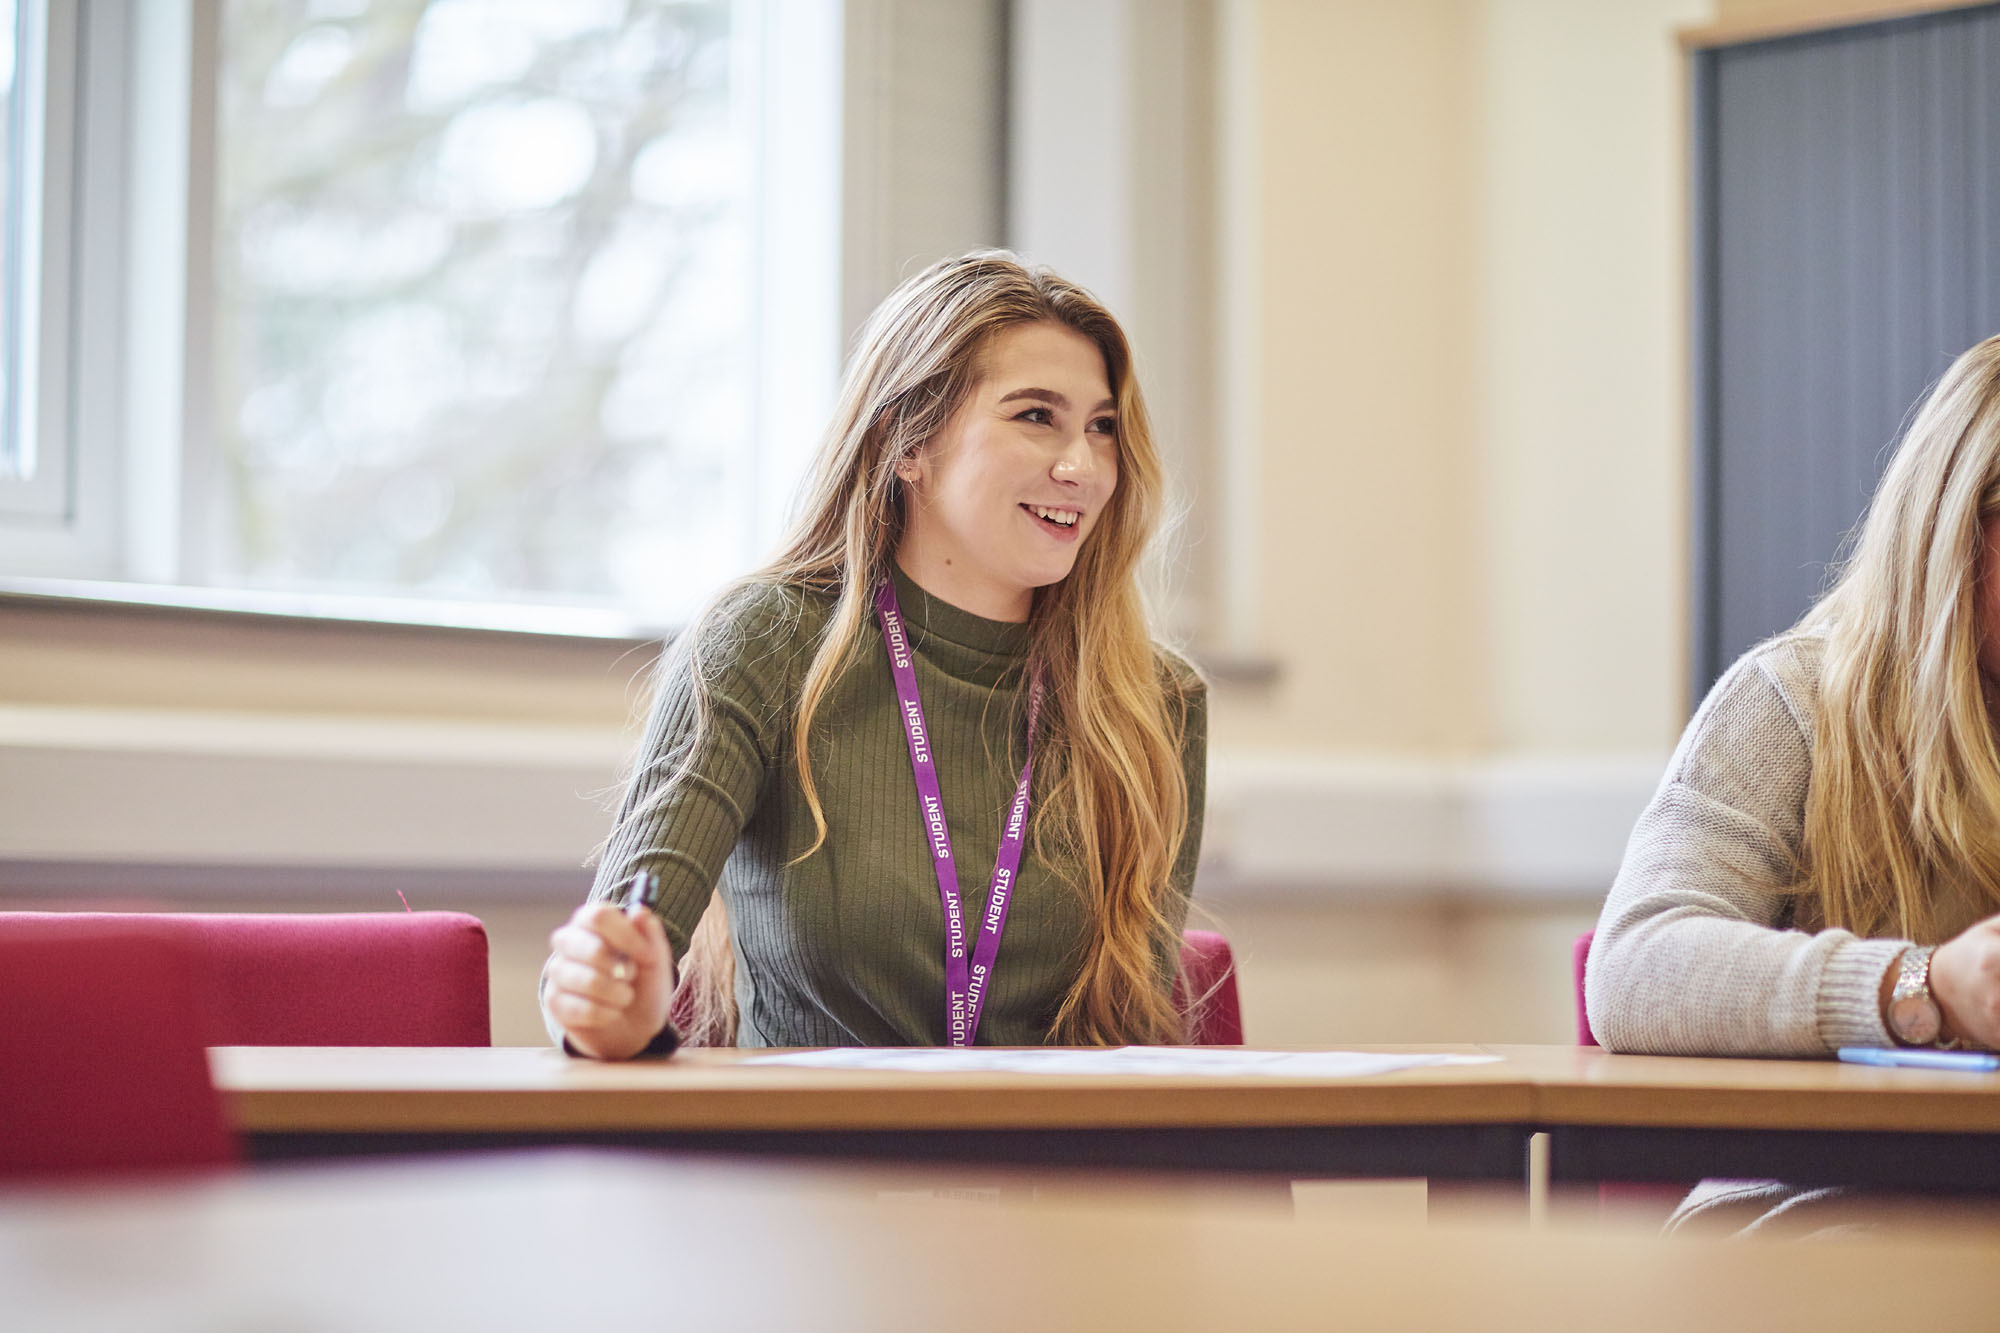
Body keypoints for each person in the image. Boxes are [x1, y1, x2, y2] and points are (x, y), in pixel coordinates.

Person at [540, 250, 1207, 1058]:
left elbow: (1134, 1046)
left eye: (1101, 428)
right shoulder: (765, 643)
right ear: (908, 441)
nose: (1083, 468)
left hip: (1055, 1173)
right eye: (1037, 416)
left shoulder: (1154, 699)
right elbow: (608, 974)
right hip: (806, 1168)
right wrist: (610, 998)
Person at [1587, 334, 2000, 1230]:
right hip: (1809, 1211)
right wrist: (1921, 986)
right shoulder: (1791, 702)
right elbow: (1634, 966)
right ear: (1956, 534)